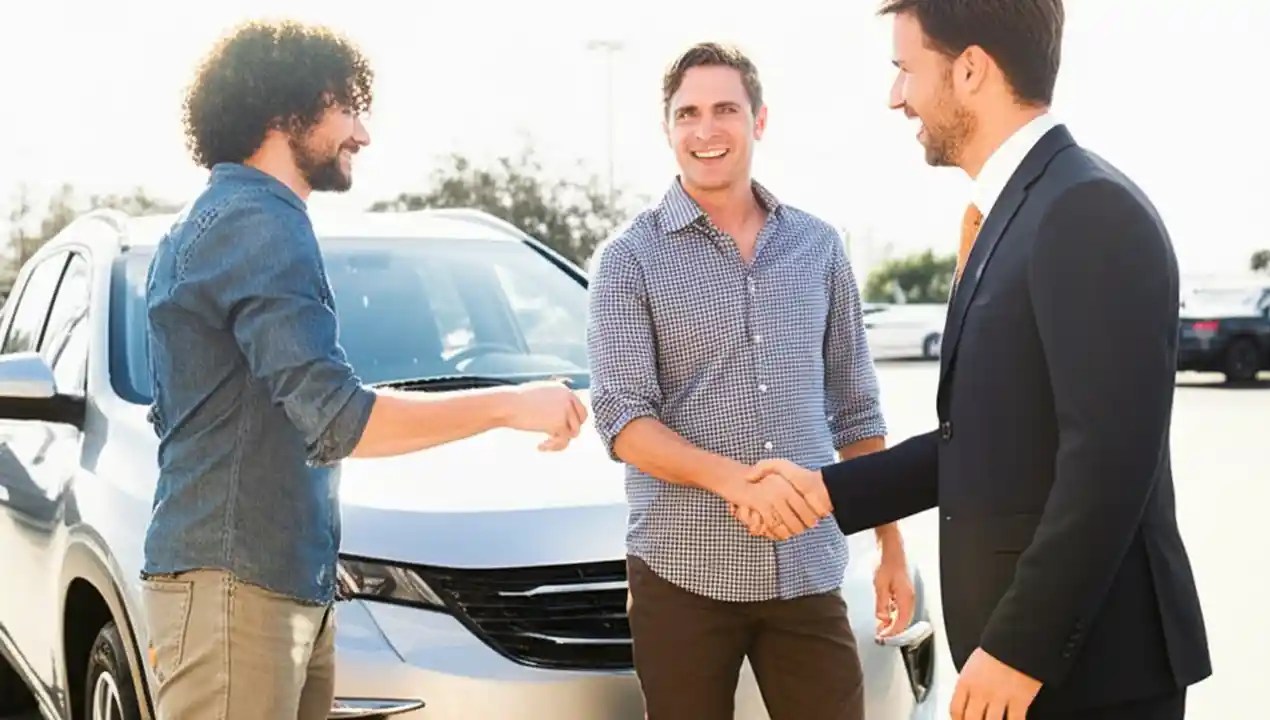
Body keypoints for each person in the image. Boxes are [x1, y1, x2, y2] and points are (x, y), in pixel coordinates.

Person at [748, 1, 1212, 718]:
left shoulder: (1087, 210)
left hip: (1089, 674)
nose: (895, 97)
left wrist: (1021, 649)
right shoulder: (1014, 214)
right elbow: (985, 438)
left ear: (970, 69)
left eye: (906, 69)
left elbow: (1110, 462)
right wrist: (826, 493)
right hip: (1036, 666)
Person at [140, 20, 586, 720]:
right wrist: (508, 405)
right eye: (346, 107)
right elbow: (340, 420)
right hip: (238, 591)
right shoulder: (257, 224)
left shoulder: (227, 218)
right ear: (284, 111)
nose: (363, 133)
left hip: (272, 585)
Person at [586, 41, 914, 720]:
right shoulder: (627, 260)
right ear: (669, 129)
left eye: (725, 109)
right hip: (682, 574)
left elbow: (855, 405)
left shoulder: (818, 247)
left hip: (807, 567)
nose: (706, 130)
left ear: (758, 120)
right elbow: (624, 422)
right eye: (688, 114)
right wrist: (735, 480)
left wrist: (889, 542)